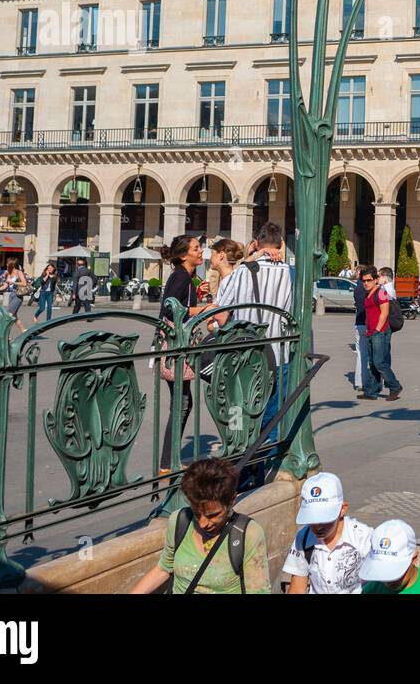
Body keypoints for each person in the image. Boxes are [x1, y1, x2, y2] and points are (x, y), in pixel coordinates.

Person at [128, 457, 270, 594]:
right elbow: (163, 569)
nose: (203, 524)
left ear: (232, 500)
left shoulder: (248, 534)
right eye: (197, 513)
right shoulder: (179, 521)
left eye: (212, 515)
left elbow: (258, 590)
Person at [222, 223, 294, 441]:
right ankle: (266, 458)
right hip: (277, 353)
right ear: (281, 244)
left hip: (243, 353)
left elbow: (222, 314)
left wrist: (249, 257)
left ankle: (238, 451)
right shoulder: (291, 273)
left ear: (256, 243)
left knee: (239, 407)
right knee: (272, 411)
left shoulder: (240, 273)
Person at [158, 234, 205, 473]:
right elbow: (171, 307)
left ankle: (169, 459)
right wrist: (205, 308)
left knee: (183, 402)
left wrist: (198, 293)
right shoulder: (180, 275)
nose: (201, 251)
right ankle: (167, 462)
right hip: (175, 346)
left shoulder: (187, 276)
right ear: (184, 255)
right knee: (182, 403)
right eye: (196, 248)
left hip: (179, 344)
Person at [283, 472, 372, 594]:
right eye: (312, 518)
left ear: (343, 509)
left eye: (325, 518)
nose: (317, 526)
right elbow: (297, 588)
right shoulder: (303, 538)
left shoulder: (364, 538)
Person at [359, 519, 420, 594]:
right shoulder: (372, 589)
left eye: (394, 571)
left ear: (414, 559)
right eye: (382, 570)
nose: (388, 580)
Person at [358, 265, 403, 401]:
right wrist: (368, 330)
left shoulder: (381, 292)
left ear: (376, 280)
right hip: (371, 331)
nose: (365, 283)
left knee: (379, 362)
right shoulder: (368, 293)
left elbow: (385, 312)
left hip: (380, 331)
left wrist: (377, 330)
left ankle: (395, 386)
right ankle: (371, 392)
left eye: (369, 280)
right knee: (372, 362)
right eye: (363, 281)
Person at [352, 269, 371, 396]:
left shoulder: (357, 289)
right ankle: (375, 382)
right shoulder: (372, 289)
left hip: (359, 323)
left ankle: (359, 382)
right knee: (373, 355)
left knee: (360, 354)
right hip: (370, 324)